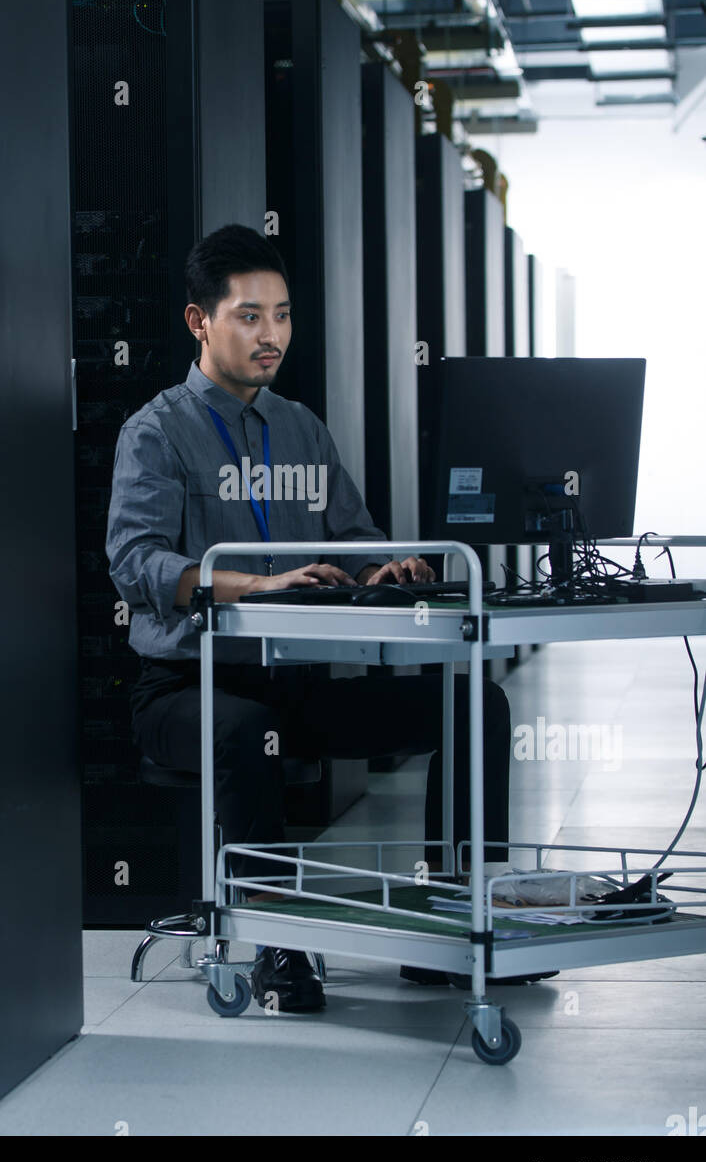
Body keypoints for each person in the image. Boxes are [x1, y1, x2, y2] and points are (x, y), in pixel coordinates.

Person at [106, 223, 515, 1013]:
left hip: (293, 685)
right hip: (185, 688)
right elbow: (137, 563)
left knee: (476, 703)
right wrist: (253, 587)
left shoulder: (300, 428)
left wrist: (378, 571)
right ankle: (279, 948)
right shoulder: (156, 431)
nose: (272, 335)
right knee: (242, 729)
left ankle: (454, 925)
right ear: (199, 322)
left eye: (283, 315)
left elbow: (354, 538)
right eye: (249, 316)